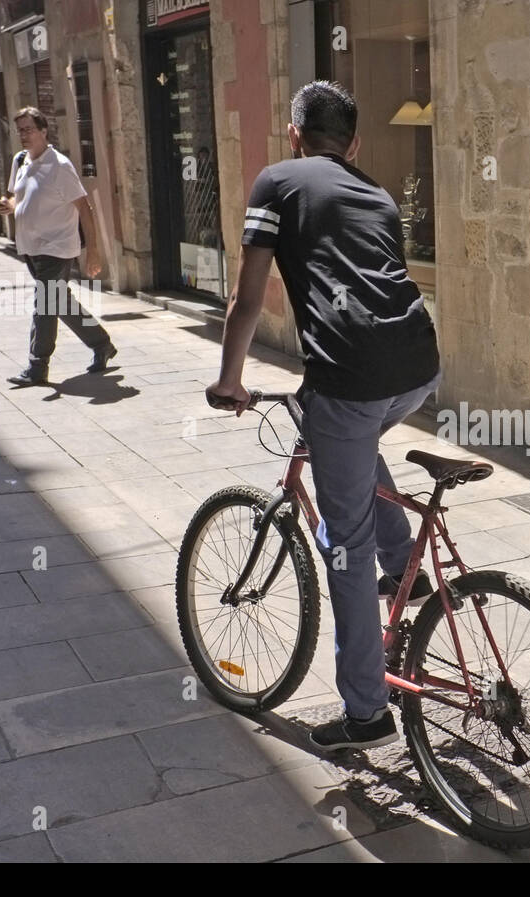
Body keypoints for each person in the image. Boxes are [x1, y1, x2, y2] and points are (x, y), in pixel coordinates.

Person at [206, 81, 441, 751]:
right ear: (355, 144)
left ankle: (366, 714)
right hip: (419, 370)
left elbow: (248, 299)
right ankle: (405, 567)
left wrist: (230, 381)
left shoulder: (276, 181)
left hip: (351, 376)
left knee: (344, 548)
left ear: (293, 134)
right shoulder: (378, 191)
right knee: (350, 432)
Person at [0, 106, 116, 386]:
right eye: (20, 130)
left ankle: (38, 366)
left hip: (58, 247)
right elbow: (15, 197)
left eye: (29, 129)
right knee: (59, 302)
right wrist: (6, 206)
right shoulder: (20, 160)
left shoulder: (60, 166)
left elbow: (84, 208)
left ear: (43, 130)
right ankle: (101, 344)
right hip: (30, 246)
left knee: (45, 304)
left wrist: (93, 250)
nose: (23, 135)